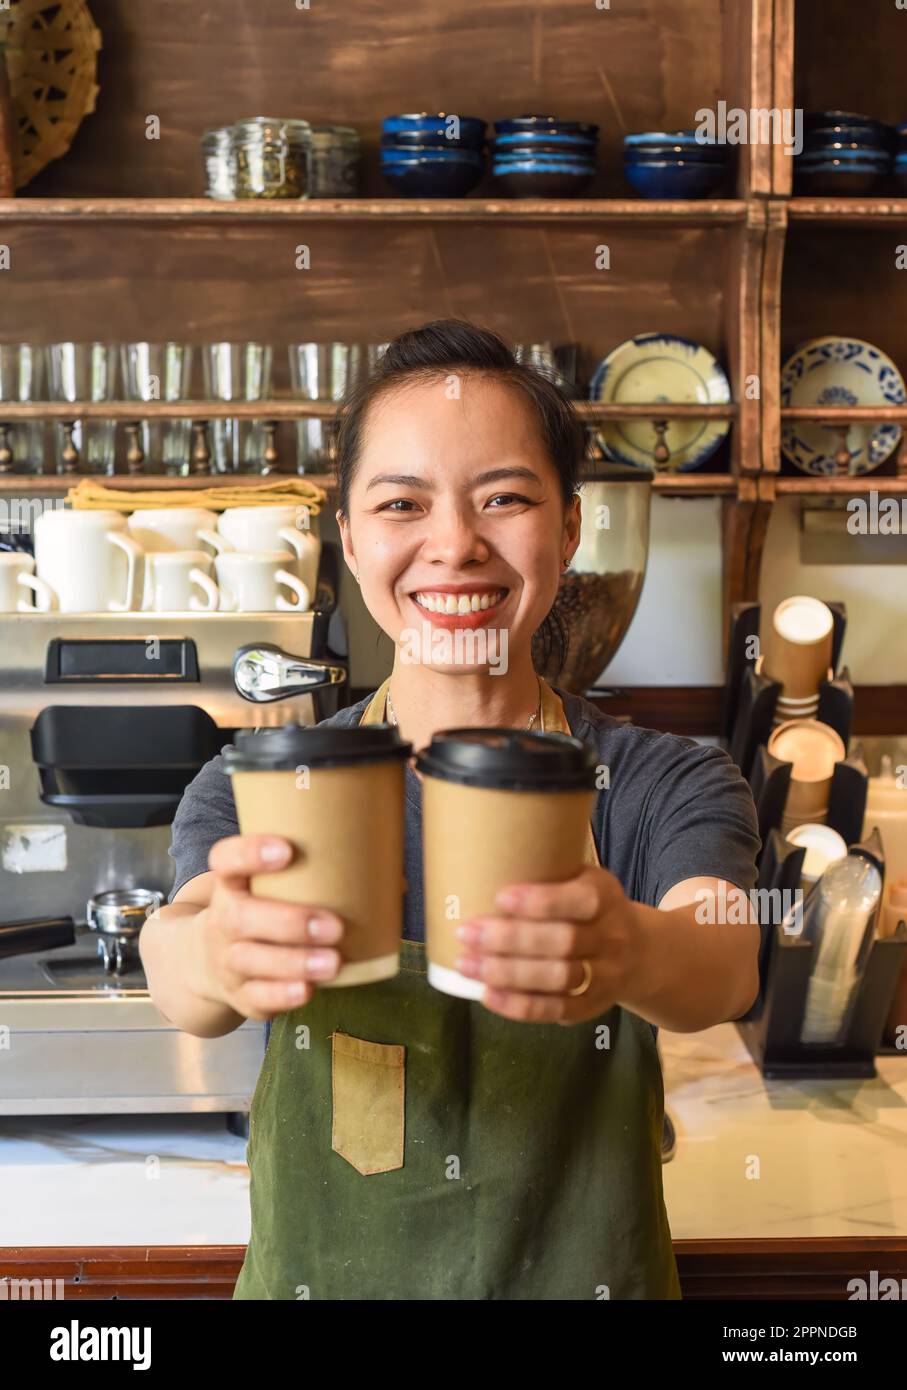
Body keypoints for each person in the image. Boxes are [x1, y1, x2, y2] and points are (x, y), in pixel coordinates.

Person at [140, 318, 761, 1300]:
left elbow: (721, 959)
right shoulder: (266, 778)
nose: (454, 545)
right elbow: (178, 961)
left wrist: (627, 950)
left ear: (567, 527)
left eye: (504, 498)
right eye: (402, 502)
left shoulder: (658, 781)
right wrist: (217, 952)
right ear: (348, 536)